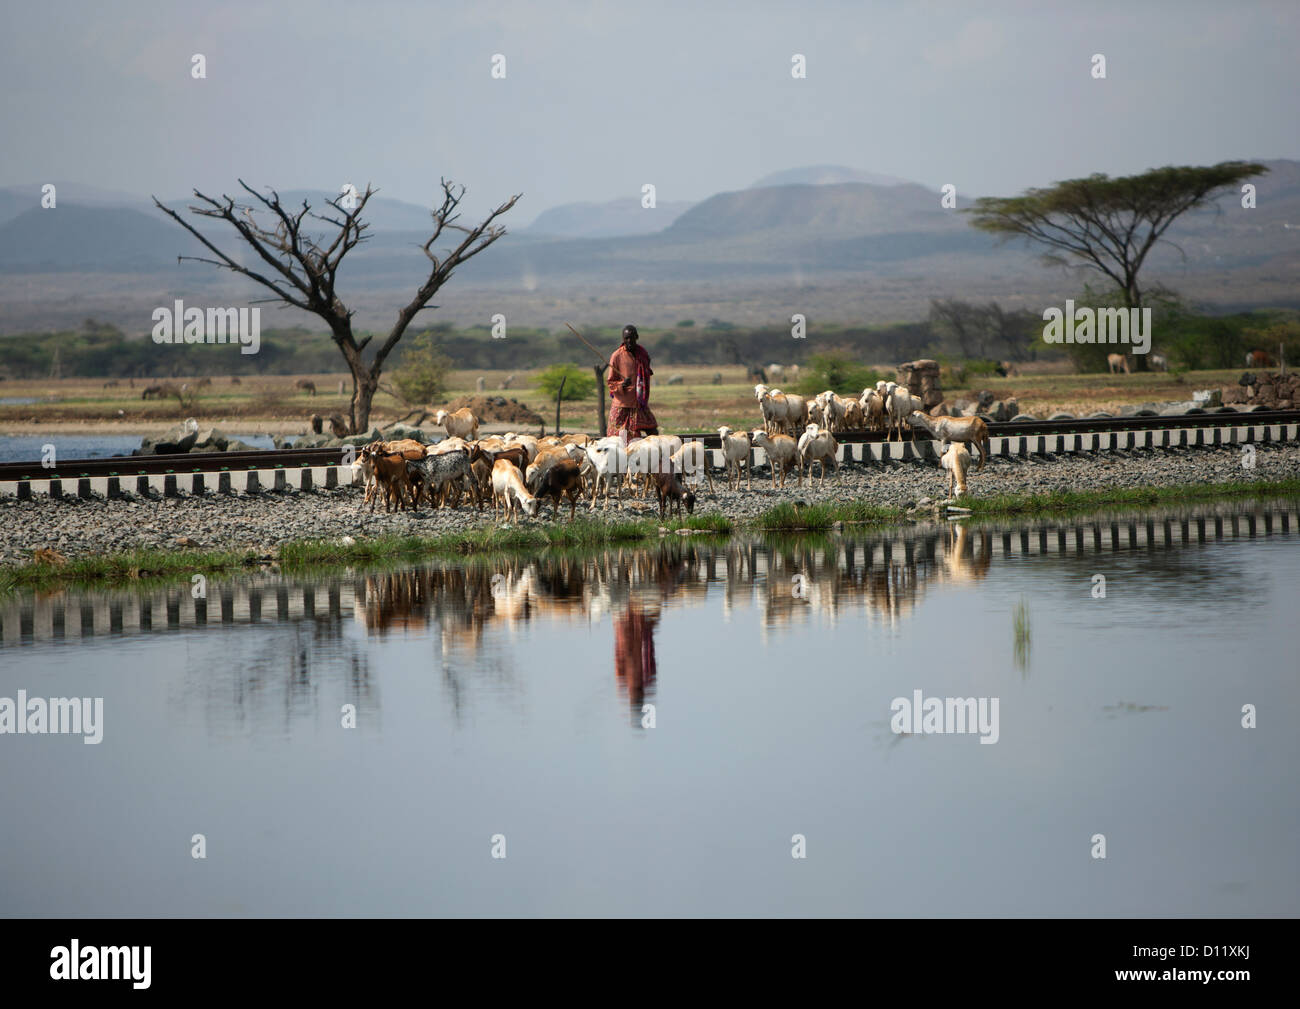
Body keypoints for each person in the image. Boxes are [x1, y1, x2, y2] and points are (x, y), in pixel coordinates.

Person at [606, 324, 658, 438]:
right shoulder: (616, 356)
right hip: (622, 405)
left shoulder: (642, 353)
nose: (629, 341)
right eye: (626, 338)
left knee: (653, 431)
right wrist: (622, 384)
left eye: (631, 337)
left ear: (637, 337)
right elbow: (610, 383)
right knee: (617, 438)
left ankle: (657, 454)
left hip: (639, 403)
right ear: (623, 339)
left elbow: (647, 371)